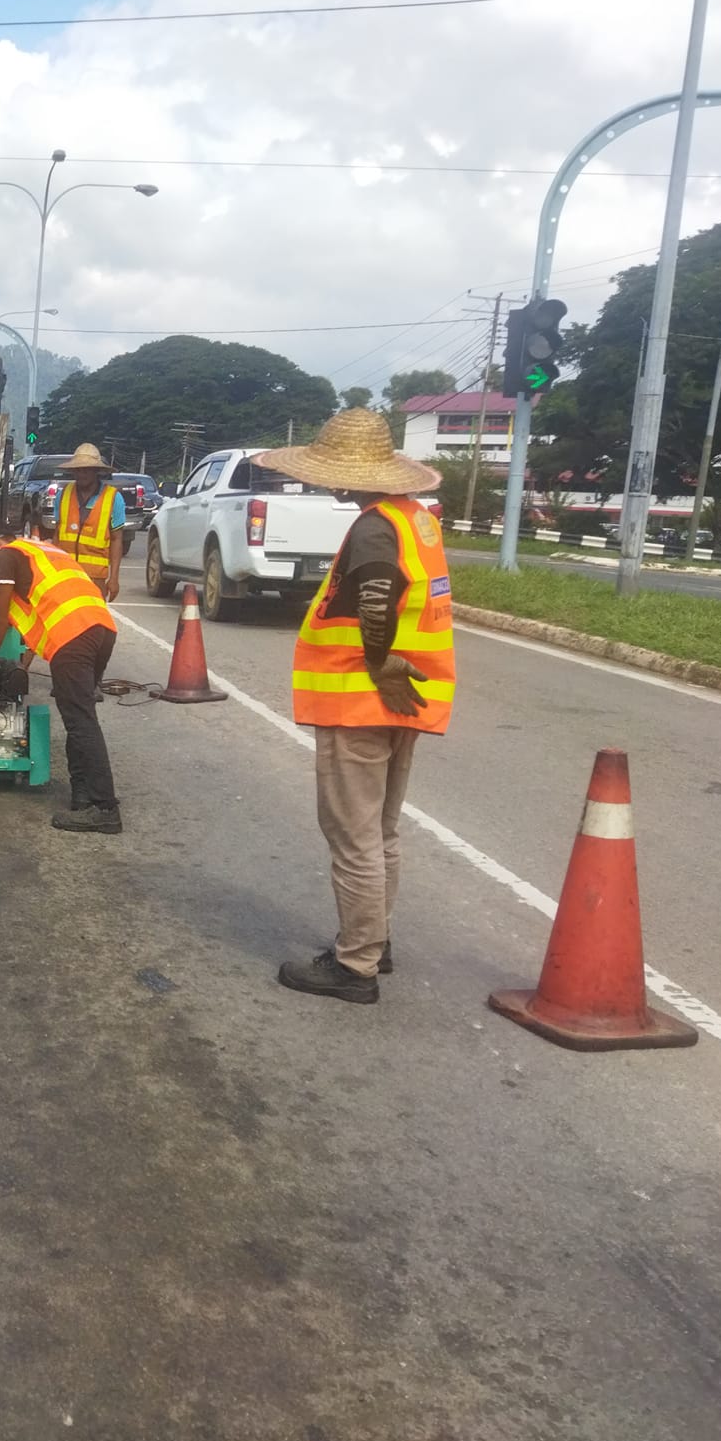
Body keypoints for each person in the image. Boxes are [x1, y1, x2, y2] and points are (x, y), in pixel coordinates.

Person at [253, 407, 454, 1005]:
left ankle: (356, 965)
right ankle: (376, 939)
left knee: (353, 835)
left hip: (363, 698)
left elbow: (375, 597)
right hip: (403, 698)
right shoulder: (415, 519)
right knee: (383, 830)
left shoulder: (373, 526)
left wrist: (378, 660)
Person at [0, 527, 123, 833]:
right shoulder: (43, 550)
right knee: (80, 716)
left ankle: (104, 808)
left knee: (80, 721)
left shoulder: (6, 554)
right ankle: (83, 798)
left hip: (72, 632)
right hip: (101, 628)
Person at [52, 442, 126, 600]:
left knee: (94, 622)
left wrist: (114, 579)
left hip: (95, 577)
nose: (81, 474)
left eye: (86, 470)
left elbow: (117, 539)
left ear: (96, 471)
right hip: (66, 574)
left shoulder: (113, 498)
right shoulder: (62, 495)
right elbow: (57, 535)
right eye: (78, 470)